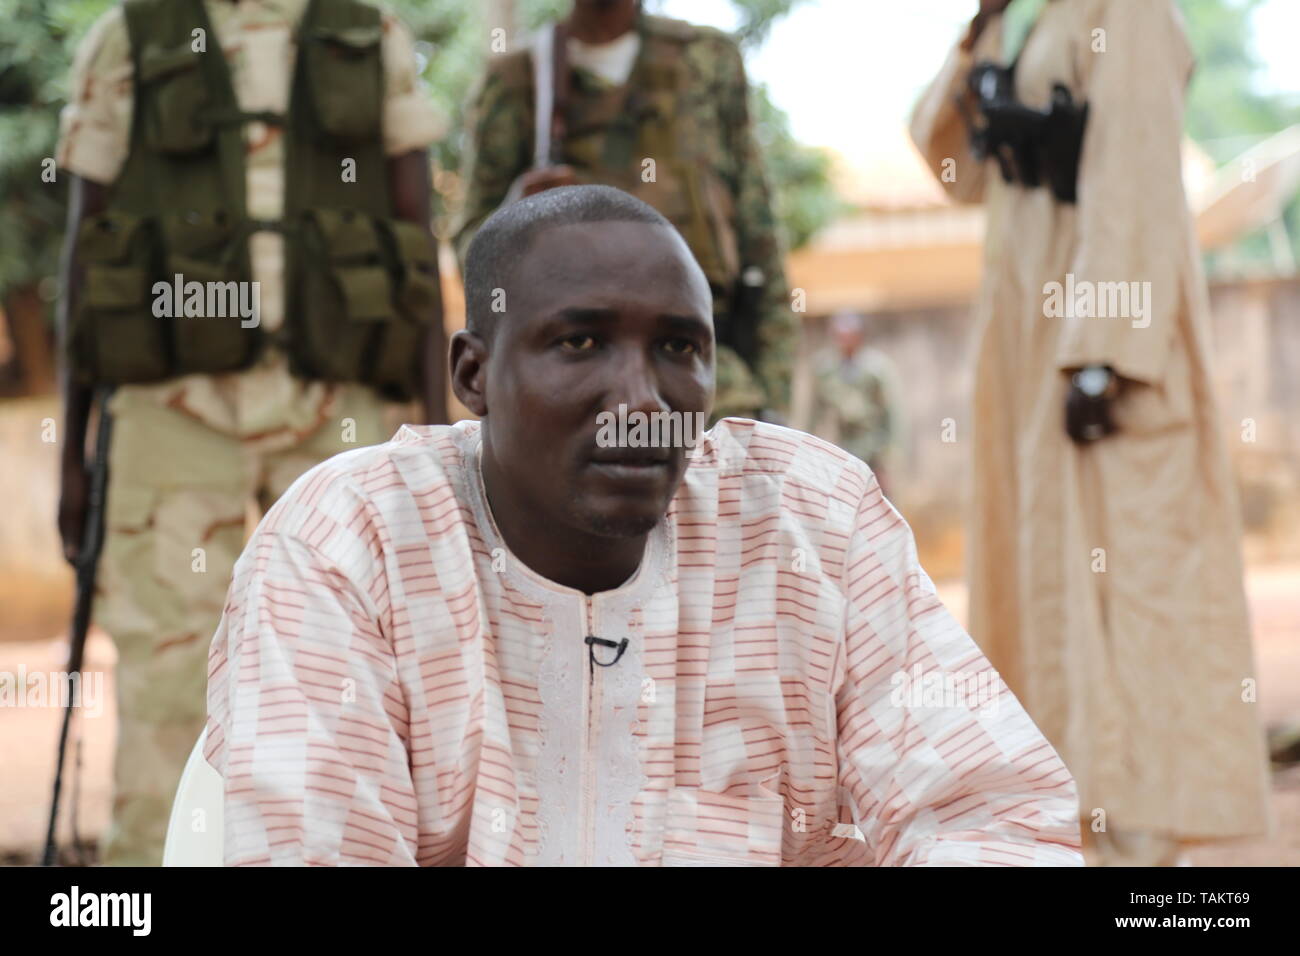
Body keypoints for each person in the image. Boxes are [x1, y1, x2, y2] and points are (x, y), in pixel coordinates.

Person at [204, 185, 1082, 866]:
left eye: (678, 349)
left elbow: (992, 817)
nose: (642, 404)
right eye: (580, 344)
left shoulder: (812, 524)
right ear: (473, 375)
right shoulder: (351, 545)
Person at [55, 0, 447, 865]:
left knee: (350, 689)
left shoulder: (367, 31)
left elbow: (417, 237)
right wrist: (74, 456)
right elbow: (86, 245)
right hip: (169, 406)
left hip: (336, 402)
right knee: (167, 689)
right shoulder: (130, 36)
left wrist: (442, 431)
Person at [909, 0, 1271, 865]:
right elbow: (950, 166)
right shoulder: (1007, 21)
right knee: (1038, 588)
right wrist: (976, 35)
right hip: (1025, 344)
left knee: (1125, 590)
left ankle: (1141, 850)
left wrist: (1104, 351)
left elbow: (1136, 172)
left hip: (1106, 338)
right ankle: (1063, 826)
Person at [452, 0, 795, 423]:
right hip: (575, 380)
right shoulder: (517, 82)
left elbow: (759, 239)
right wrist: (516, 213)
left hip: (707, 374)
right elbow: (472, 252)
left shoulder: (707, 61)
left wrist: (775, 398)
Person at [810, 311, 903, 496]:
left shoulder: (876, 369)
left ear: (859, 336)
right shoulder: (827, 369)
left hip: (873, 448)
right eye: (839, 335)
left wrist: (887, 458)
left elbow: (891, 414)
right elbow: (814, 413)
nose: (844, 340)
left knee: (879, 502)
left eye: (848, 334)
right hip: (844, 446)